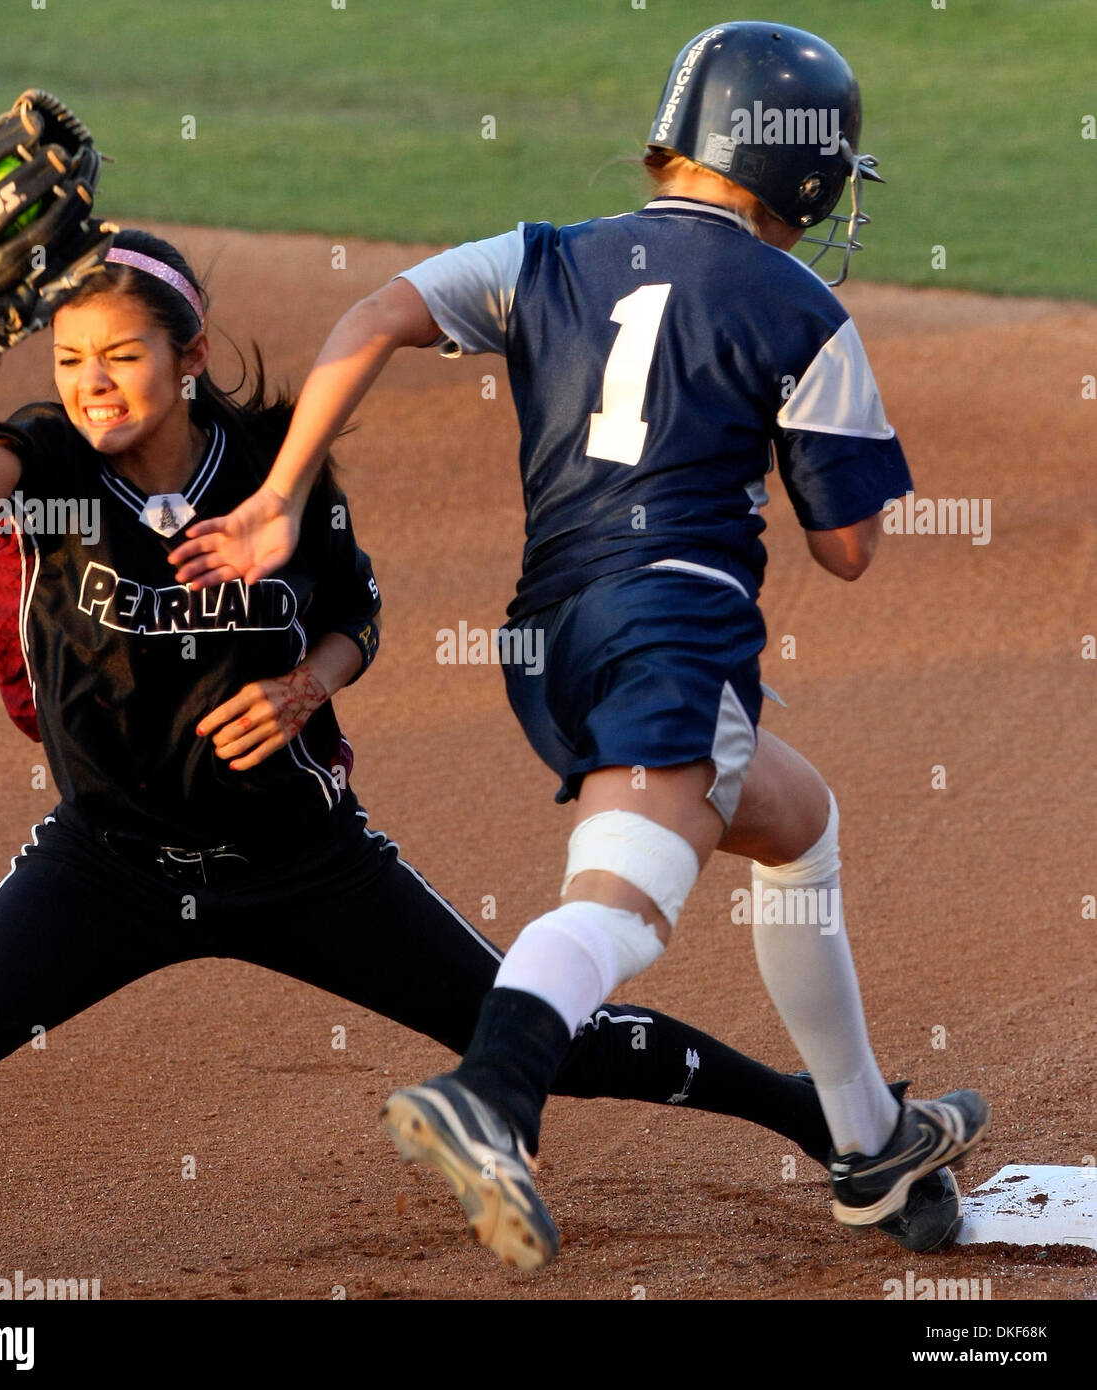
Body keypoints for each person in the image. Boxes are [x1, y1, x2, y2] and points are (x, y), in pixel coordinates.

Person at [0, 226, 950, 1277]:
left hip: (304, 863)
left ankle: (827, 1125)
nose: (94, 383)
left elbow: (355, 614)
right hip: (108, 865)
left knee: (548, 1034)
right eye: (71, 358)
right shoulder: (49, 463)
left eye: (123, 354)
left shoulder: (274, 468)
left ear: (191, 355)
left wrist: (309, 683)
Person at [168, 22, 990, 1271]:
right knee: (623, 899)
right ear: (806, 177)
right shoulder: (800, 306)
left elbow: (380, 310)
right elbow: (848, 547)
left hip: (549, 637)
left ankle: (868, 1138)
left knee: (795, 819)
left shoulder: (545, 255)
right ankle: (492, 1088)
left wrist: (282, 492)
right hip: (670, 630)